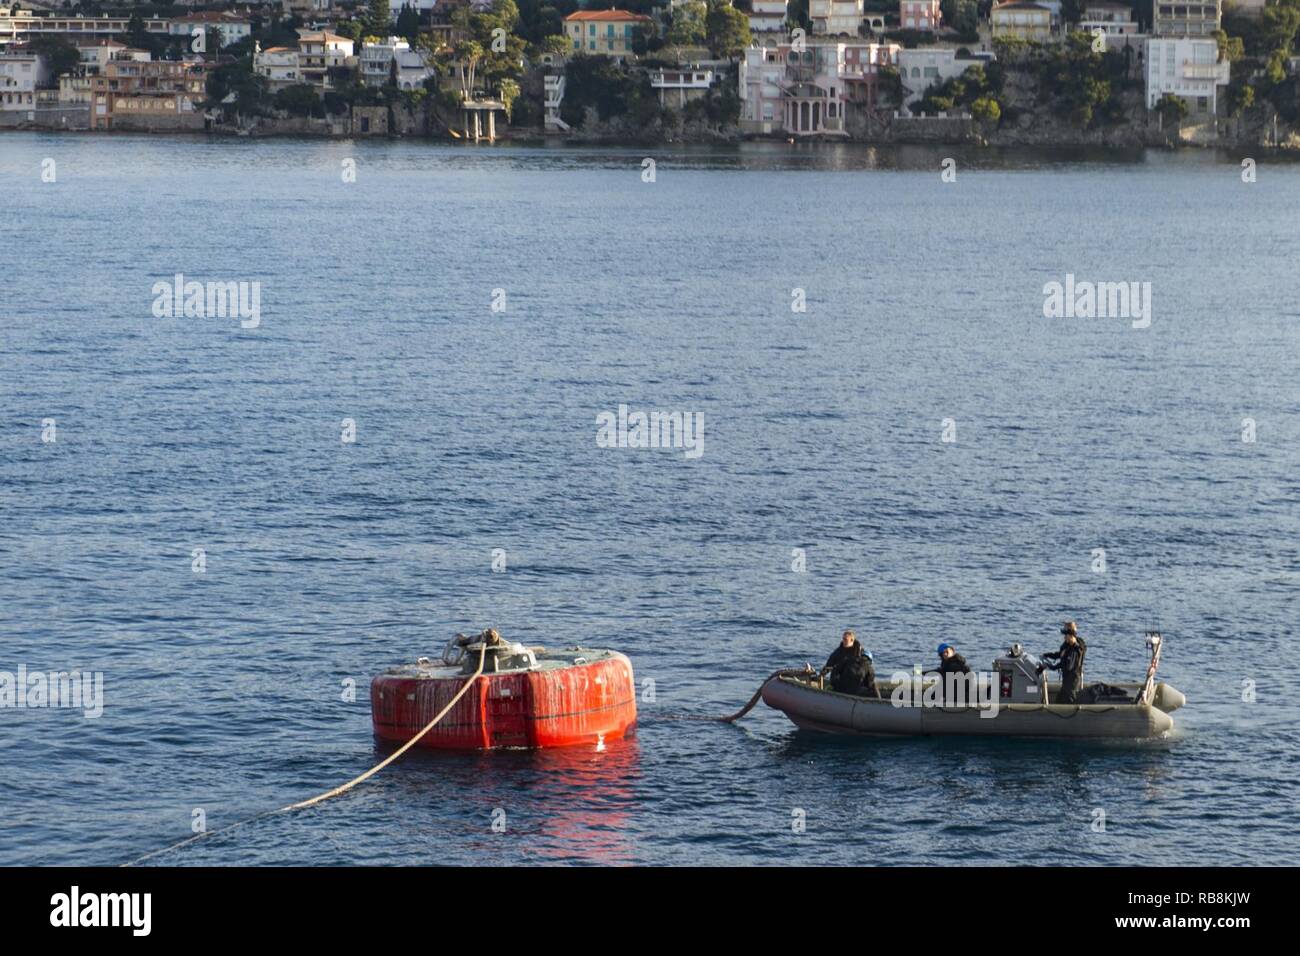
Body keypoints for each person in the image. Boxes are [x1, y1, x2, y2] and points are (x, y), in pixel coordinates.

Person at [821, 630, 880, 698]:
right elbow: (829, 664)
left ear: (852, 640)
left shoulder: (859, 651)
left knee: (872, 684)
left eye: (845, 639)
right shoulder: (838, 652)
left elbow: (865, 666)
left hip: (856, 679)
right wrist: (823, 673)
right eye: (843, 639)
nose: (843, 641)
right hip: (841, 679)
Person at [1041, 621, 1087, 704]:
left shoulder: (1075, 650)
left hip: (1072, 680)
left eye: (1066, 635)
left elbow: (1068, 665)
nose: (1064, 637)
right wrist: (1047, 655)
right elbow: (1060, 654)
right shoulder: (1067, 645)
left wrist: (1052, 667)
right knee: (1060, 699)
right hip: (1066, 679)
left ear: (1071, 635)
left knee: (1070, 699)